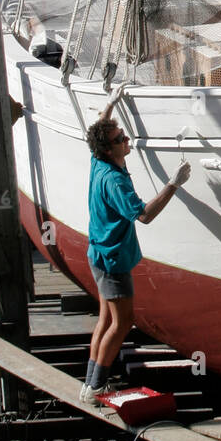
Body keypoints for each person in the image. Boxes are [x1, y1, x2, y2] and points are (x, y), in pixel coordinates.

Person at [80, 85, 190, 404]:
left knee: (106, 320)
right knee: (123, 321)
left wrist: (110, 106)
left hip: (99, 254)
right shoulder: (114, 180)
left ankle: (91, 384)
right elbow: (143, 215)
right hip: (114, 260)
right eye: (121, 139)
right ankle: (96, 386)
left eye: (124, 136)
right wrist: (174, 184)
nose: (127, 141)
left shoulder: (100, 161)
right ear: (110, 149)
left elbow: (99, 134)